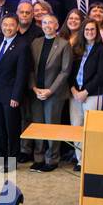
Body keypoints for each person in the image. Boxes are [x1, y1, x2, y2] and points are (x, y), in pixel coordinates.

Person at [26, 15, 73, 172]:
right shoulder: (36, 43)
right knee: (38, 125)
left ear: (57, 25)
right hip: (36, 92)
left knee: (51, 126)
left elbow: (65, 71)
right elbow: (30, 68)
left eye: (50, 22)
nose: (47, 25)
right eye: (44, 23)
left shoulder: (64, 44)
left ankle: (52, 159)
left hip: (54, 93)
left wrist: (50, 90)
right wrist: (34, 88)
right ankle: (38, 158)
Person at [0, 15, 31, 170]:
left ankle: (11, 161)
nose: (8, 28)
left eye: (11, 25)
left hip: (11, 94)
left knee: (11, 129)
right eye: (5, 25)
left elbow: (22, 73)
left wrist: (16, 96)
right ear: (1, 26)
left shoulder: (23, 45)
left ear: (17, 27)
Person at [68, 21, 103, 170]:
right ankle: (80, 160)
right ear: (82, 31)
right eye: (87, 29)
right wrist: (73, 90)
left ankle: (90, 160)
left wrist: (85, 92)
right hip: (74, 94)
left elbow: (101, 75)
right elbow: (69, 71)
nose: (89, 32)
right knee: (76, 127)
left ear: (97, 32)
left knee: (90, 129)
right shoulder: (77, 49)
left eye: (92, 29)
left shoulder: (102, 49)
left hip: (93, 95)